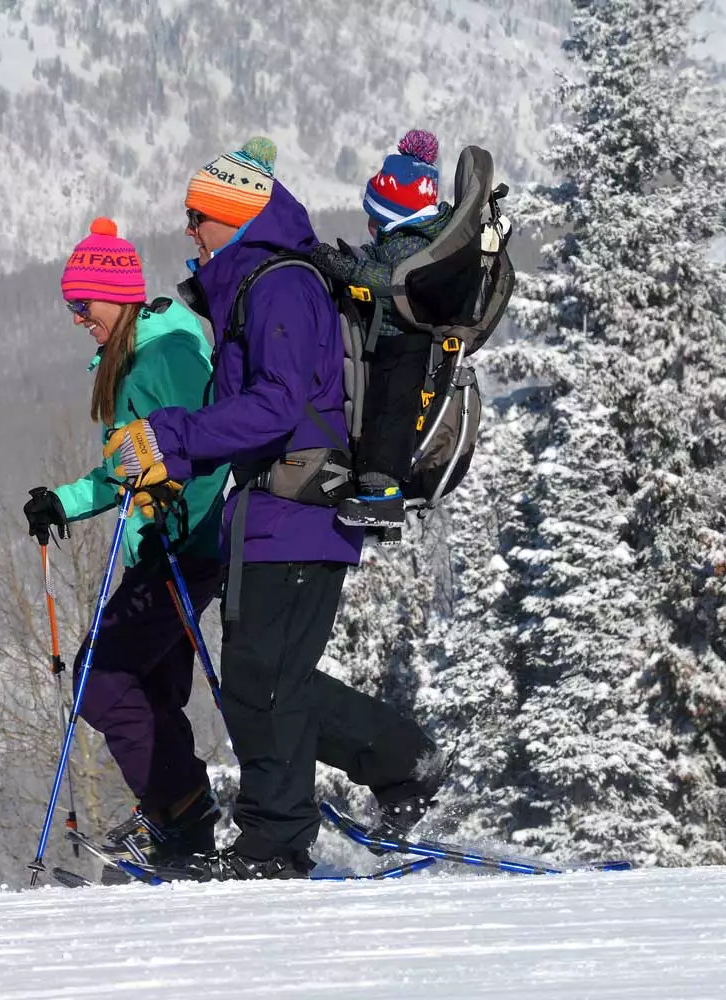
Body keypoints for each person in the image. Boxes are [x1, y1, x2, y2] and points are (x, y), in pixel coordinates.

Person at [103, 138, 448, 880]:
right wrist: (175, 459)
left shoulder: (280, 285)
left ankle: (275, 843)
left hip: (298, 511)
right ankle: (400, 765)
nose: (189, 230)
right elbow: (250, 412)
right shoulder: (260, 283)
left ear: (232, 217)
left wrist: (171, 434)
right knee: (266, 681)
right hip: (277, 514)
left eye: (198, 215)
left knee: (263, 682)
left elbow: (276, 405)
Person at [23, 218, 230, 868]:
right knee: (152, 690)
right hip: (172, 546)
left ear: (119, 296)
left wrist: (178, 504)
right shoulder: (147, 352)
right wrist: (64, 500)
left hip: (182, 546)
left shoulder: (163, 357)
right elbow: (126, 467)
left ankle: (180, 811)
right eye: (71, 307)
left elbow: (206, 441)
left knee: (99, 679)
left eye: (84, 304)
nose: (78, 318)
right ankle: (183, 827)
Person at [311, 129, 453, 529]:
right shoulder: (416, 237)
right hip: (397, 337)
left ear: (395, 214)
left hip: (404, 341)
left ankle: (382, 494)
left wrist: (334, 263)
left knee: (388, 416)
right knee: (382, 413)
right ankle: (376, 488)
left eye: (376, 220)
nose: (371, 228)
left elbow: (383, 279)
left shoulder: (409, 248)